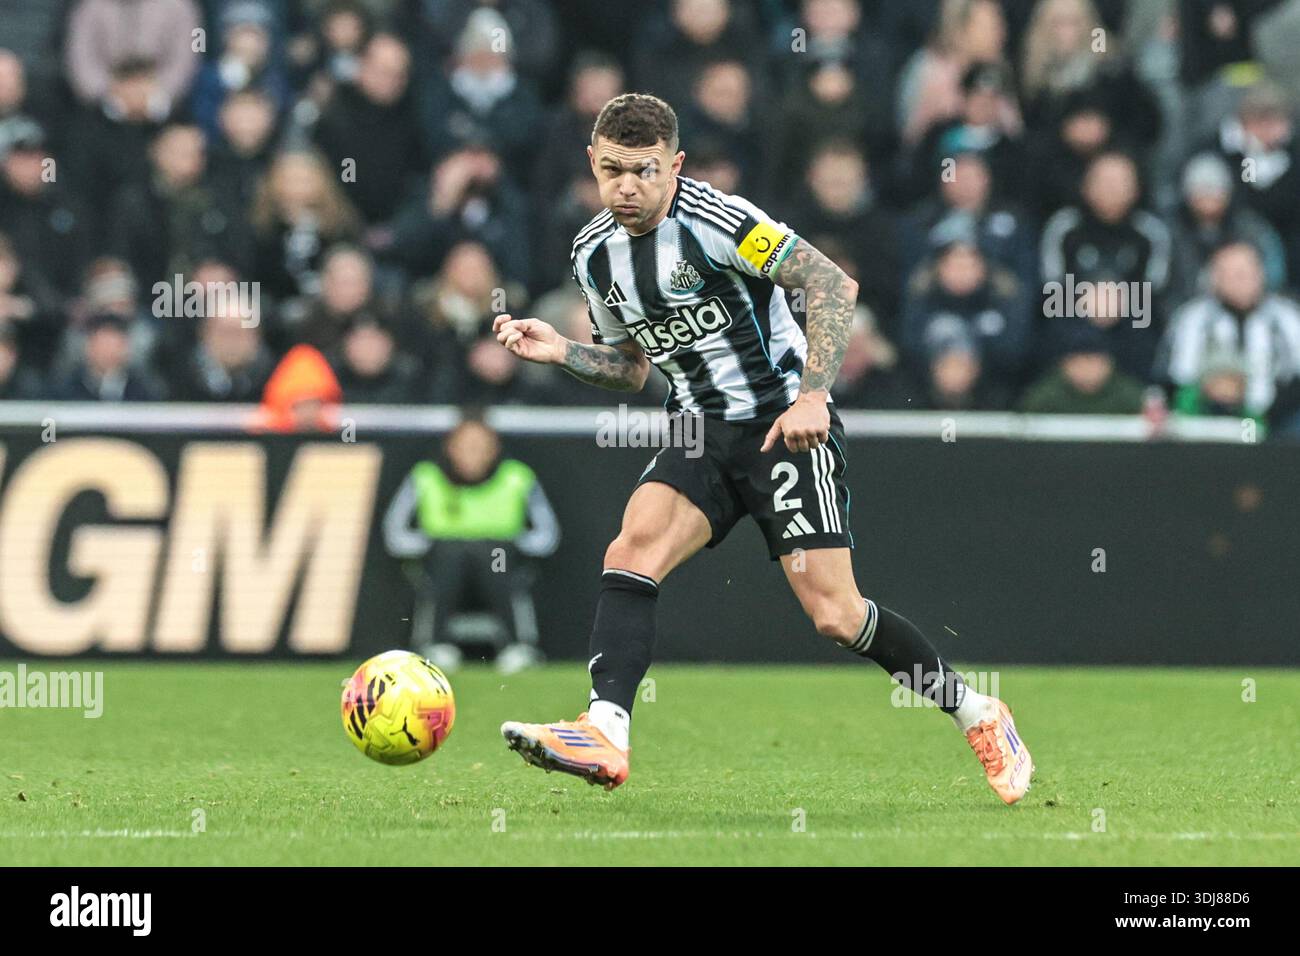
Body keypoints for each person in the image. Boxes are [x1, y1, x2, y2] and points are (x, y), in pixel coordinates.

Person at [491, 93, 1032, 802]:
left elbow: (831, 284)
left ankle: (977, 711)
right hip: (700, 431)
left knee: (837, 615)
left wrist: (813, 396)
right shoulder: (593, 254)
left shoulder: (721, 222)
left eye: (644, 171)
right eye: (613, 170)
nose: (627, 186)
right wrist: (563, 350)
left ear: (675, 166)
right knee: (630, 551)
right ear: (592, 162)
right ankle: (606, 731)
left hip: (783, 425)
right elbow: (630, 368)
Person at [383, 413, 560, 675]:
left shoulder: (517, 477)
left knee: (494, 553)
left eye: (480, 447)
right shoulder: (425, 476)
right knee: (451, 553)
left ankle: (517, 646)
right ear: (450, 448)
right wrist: (433, 544)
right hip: (442, 563)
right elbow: (395, 535)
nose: (472, 455)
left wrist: (510, 543)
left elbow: (546, 537)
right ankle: (436, 644)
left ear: (494, 450)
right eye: (465, 447)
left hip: (499, 560)